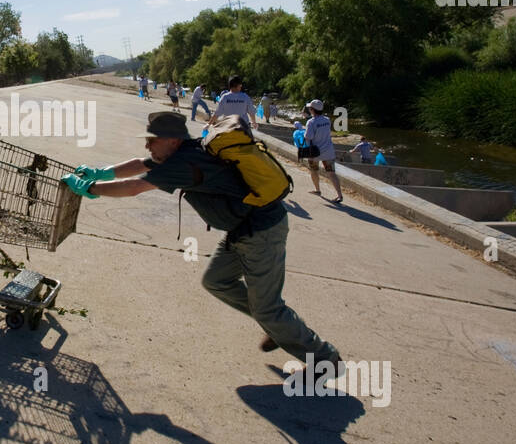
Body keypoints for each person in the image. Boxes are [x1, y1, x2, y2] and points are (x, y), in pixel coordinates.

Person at [64, 111, 342, 369]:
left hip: (261, 232)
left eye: (152, 140)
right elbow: (140, 164)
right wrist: (102, 172)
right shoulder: (184, 152)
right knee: (216, 282)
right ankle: (279, 329)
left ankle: (324, 358)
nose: (148, 146)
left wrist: (90, 188)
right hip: (243, 230)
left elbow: (135, 186)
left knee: (268, 308)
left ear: (172, 140)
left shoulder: (184, 163)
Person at [302, 99, 343, 204]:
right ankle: (339, 195)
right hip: (328, 151)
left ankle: (317, 190)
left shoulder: (311, 122)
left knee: (314, 170)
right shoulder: (327, 120)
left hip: (315, 152)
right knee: (332, 173)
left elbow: (308, 136)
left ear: (312, 110)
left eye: (310, 108)